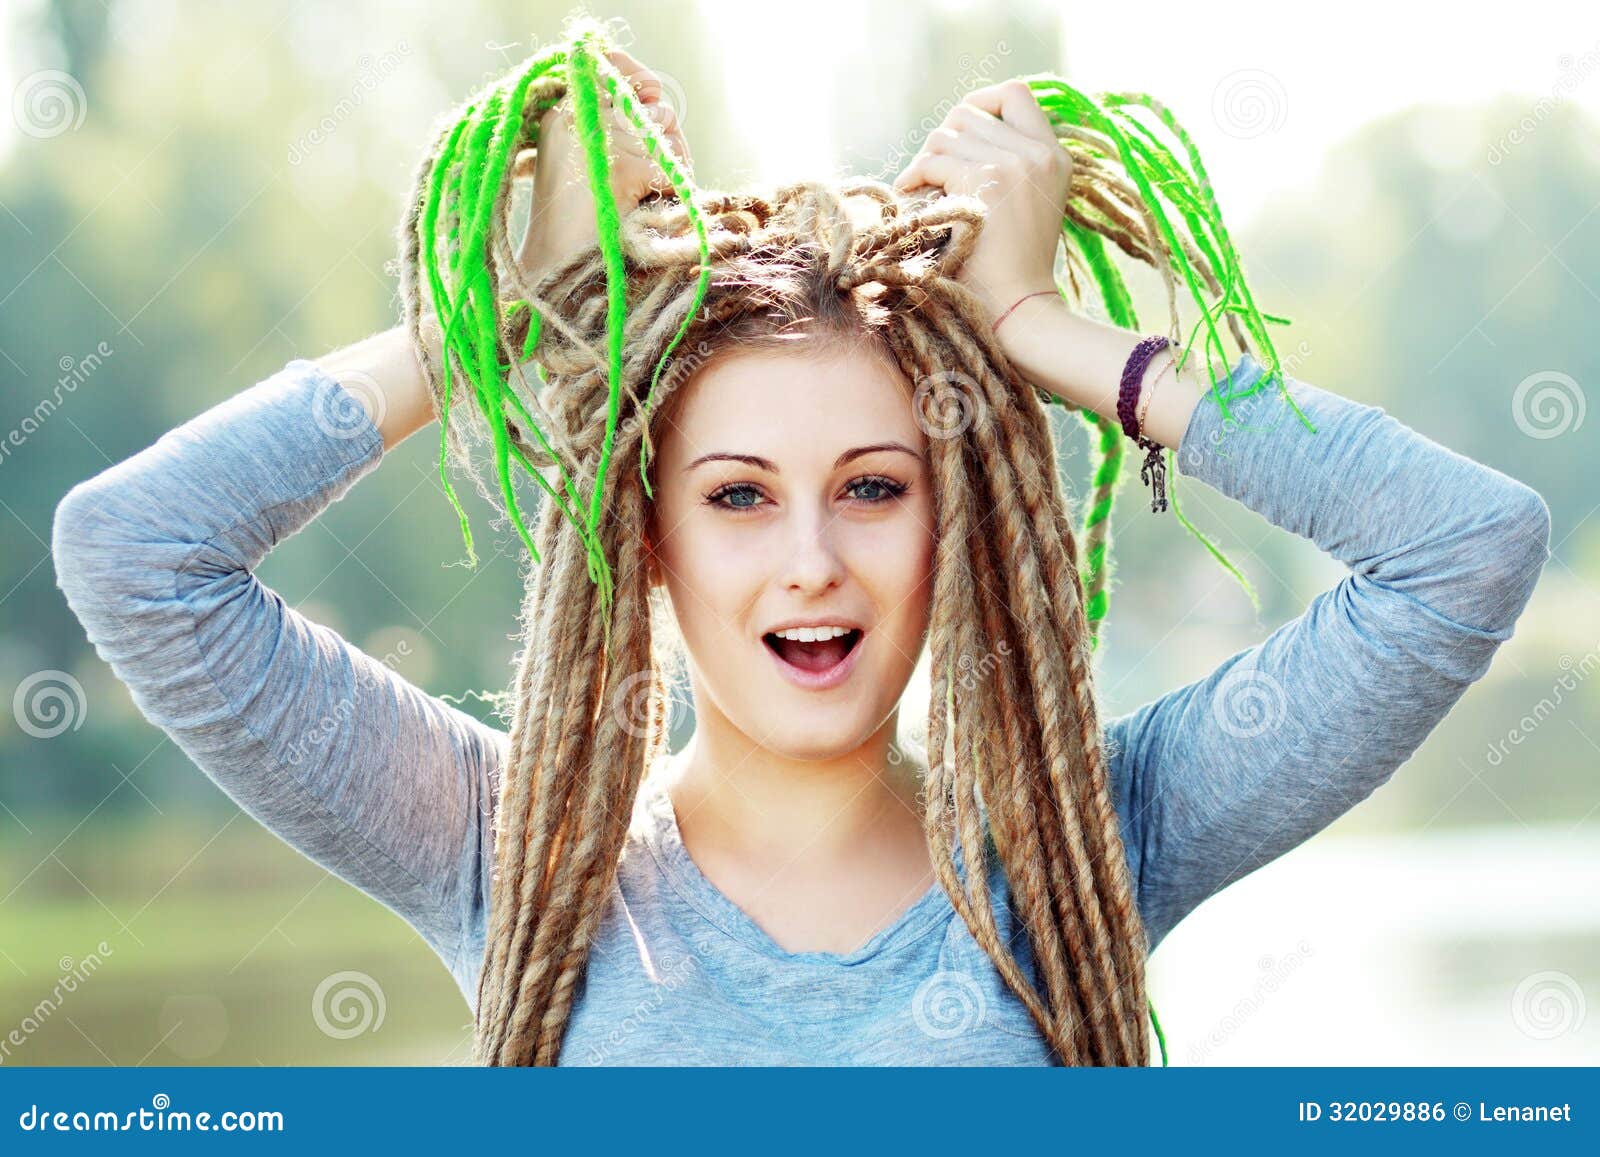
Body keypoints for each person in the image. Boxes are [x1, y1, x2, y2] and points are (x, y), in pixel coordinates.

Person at [52, 48, 1552, 1067]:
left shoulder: (1089, 841)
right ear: (646, 534)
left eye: (875, 487)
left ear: (956, 517)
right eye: (739, 497)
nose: (813, 560)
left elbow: (1464, 547)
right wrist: (508, 312)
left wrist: (1042, 330)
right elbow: (136, 554)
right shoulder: (511, 853)